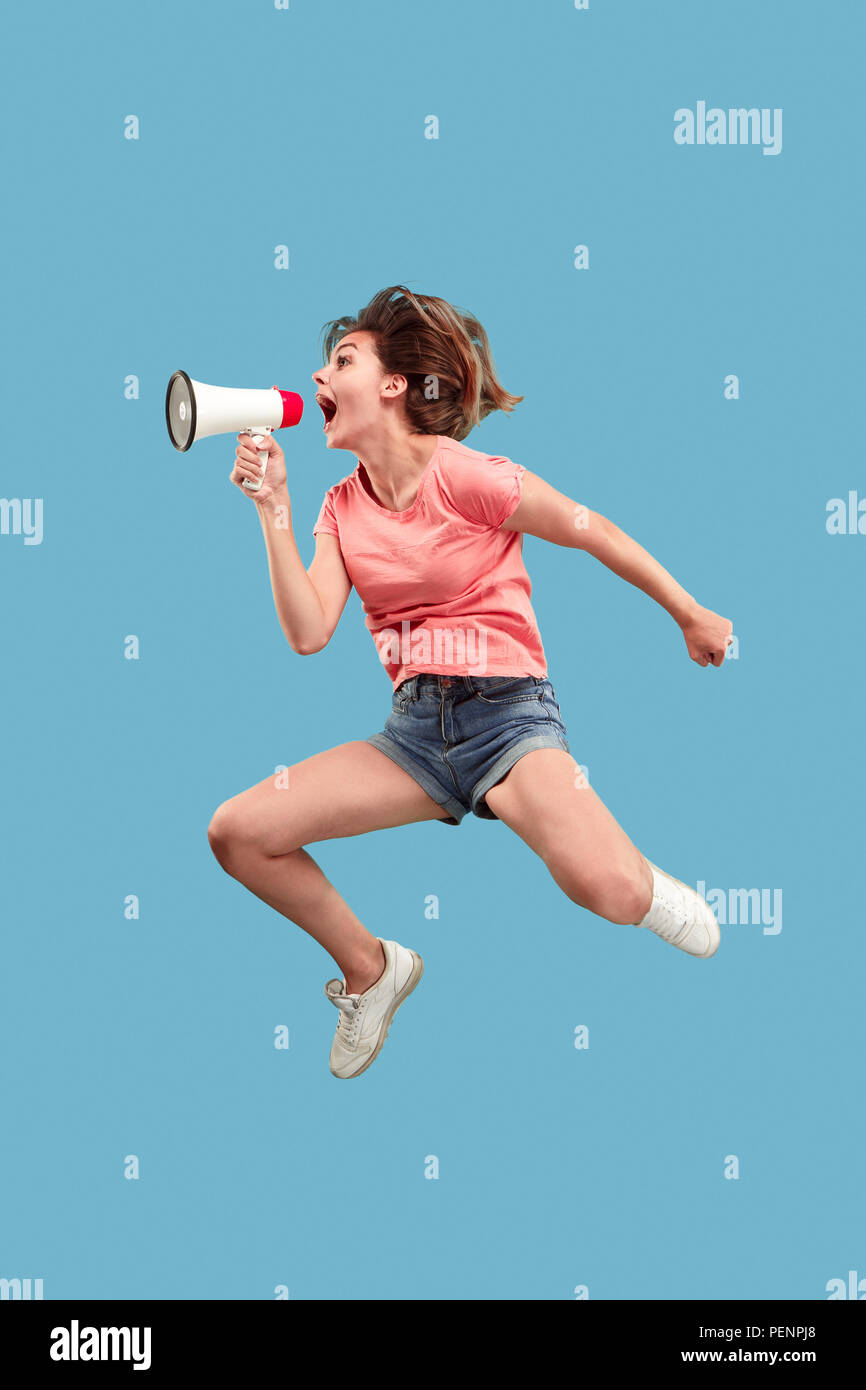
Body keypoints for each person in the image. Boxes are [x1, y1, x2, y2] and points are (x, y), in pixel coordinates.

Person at [207, 285, 733, 1081]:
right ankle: (373, 971)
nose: (317, 377)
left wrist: (689, 612)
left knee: (611, 894)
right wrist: (272, 506)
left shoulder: (469, 476)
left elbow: (592, 531)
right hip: (415, 733)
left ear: (393, 386)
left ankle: (641, 877)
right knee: (239, 832)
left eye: (341, 360)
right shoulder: (340, 507)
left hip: (508, 717)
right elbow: (310, 631)